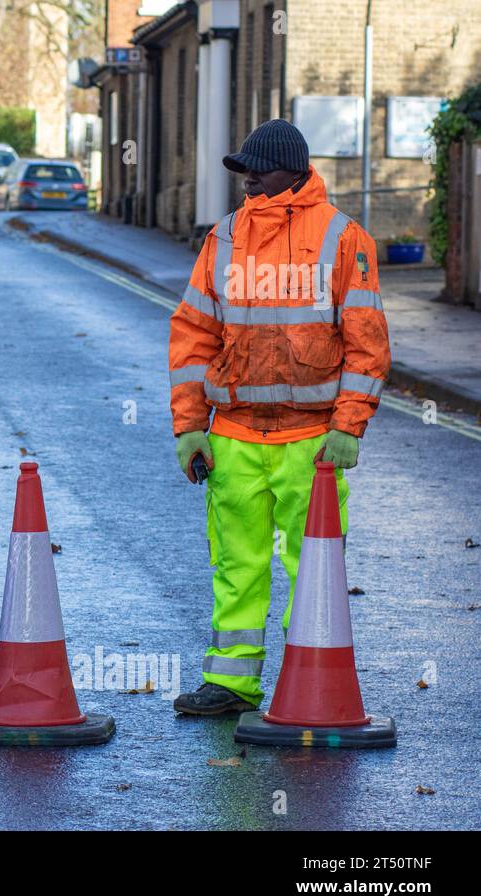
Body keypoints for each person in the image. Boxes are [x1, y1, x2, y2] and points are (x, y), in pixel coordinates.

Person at [167, 119, 391, 715]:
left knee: (312, 565)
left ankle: (308, 682)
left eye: (255, 171)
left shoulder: (344, 239)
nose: (246, 183)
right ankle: (232, 685)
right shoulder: (224, 238)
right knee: (237, 564)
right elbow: (192, 336)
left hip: (312, 440)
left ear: (292, 169)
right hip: (235, 436)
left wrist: (348, 426)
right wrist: (190, 426)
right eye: (241, 172)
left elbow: (366, 345)